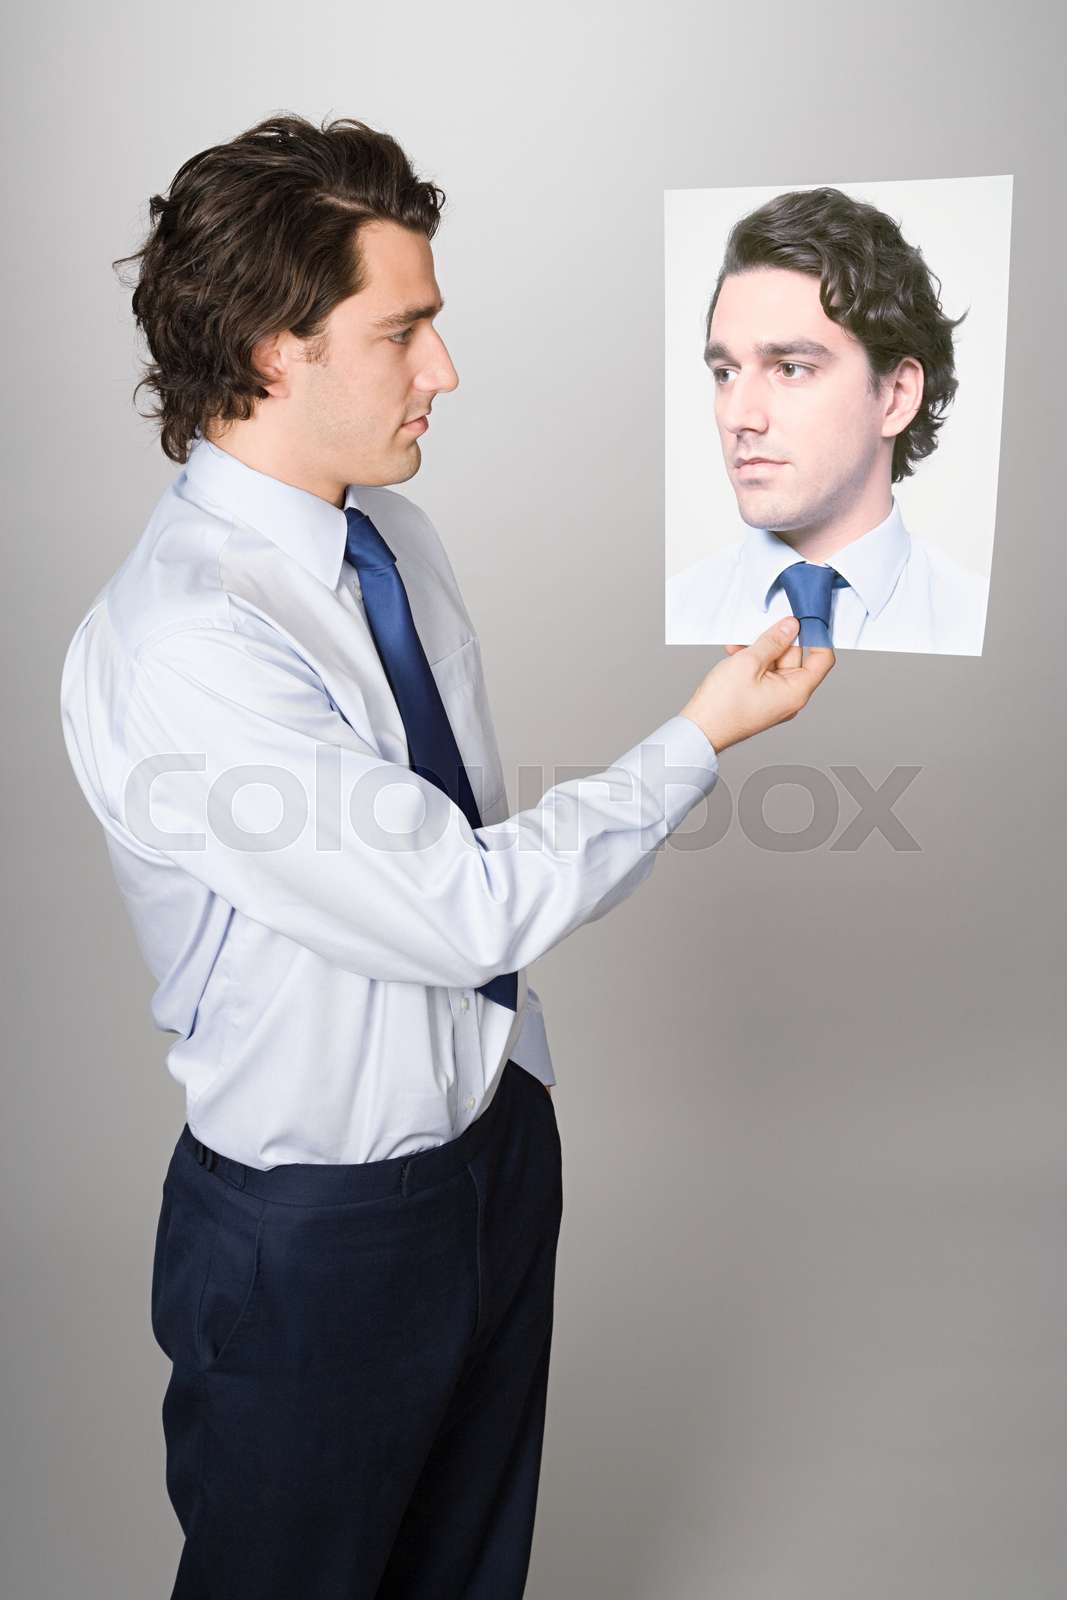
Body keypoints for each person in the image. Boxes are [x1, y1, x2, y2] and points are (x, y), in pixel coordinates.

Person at [58, 113, 834, 1600]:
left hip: (487, 1158)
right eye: (402, 329)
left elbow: (456, 820)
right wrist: (698, 738)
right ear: (278, 349)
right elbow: (463, 903)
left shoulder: (392, 540)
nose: (444, 369)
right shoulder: (187, 642)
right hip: (319, 1234)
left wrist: (510, 1110)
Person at [666, 186, 990, 655]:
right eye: (725, 373)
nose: (738, 416)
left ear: (897, 396)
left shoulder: (981, 623)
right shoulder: (674, 613)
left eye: (791, 368)